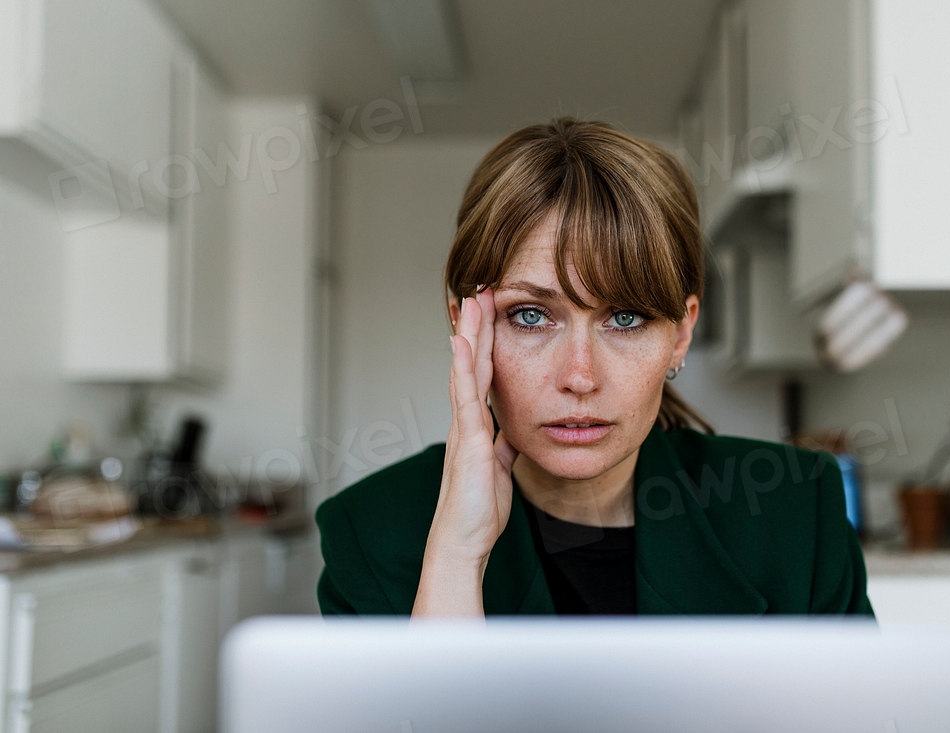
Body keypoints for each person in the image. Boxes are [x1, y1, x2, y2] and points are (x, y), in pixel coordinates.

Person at [315, 118, 874, 618]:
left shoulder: (798, 511)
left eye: (625, 317)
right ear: (466, 326)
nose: (580, 377)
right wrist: (458, 557)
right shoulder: (368, 531)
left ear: (680, 333)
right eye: (530, 315)